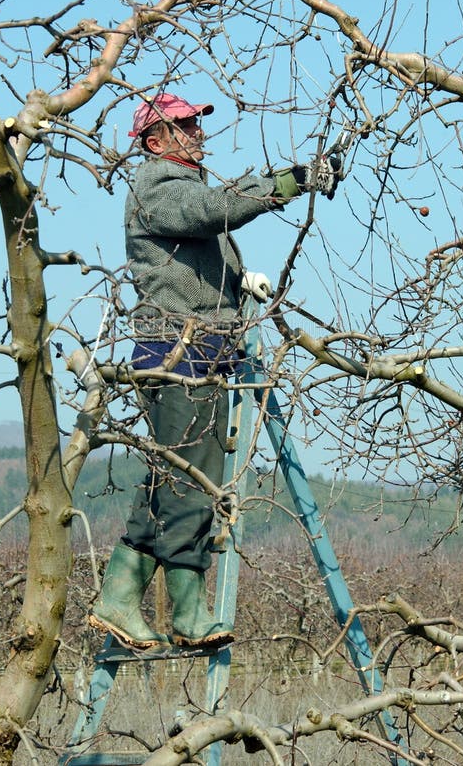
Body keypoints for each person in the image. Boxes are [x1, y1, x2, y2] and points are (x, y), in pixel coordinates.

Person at [89, 91, 339, 650]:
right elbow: (209, 211)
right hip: (183, 355)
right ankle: (187, 613)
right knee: (191, 485)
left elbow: (201, 232)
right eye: (183, 124)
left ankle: (119, 597)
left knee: (168, 478)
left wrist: (235, 283)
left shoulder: (180, 186)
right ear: (154, 142)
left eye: (195, 120)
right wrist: (286, 183)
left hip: (196, 351)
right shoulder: (157, 185)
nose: (196, 131)